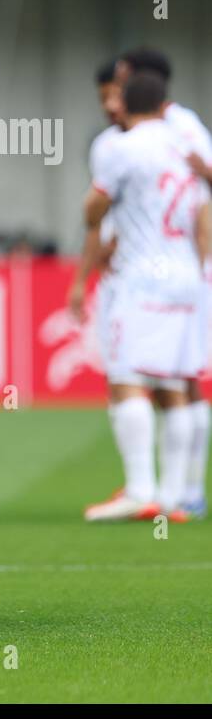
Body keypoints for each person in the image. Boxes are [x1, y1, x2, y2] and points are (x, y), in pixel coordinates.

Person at [81, 71, 210, 522]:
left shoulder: (121, 148)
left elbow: (92, 209)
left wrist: (105, 207)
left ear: (128, 105)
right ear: (162, 105)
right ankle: (175, 496)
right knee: (175, 383)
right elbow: (203, 209)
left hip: (139, 276)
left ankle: (140, 489)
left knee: (127, 377)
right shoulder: (187, 147)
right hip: (186, 273)